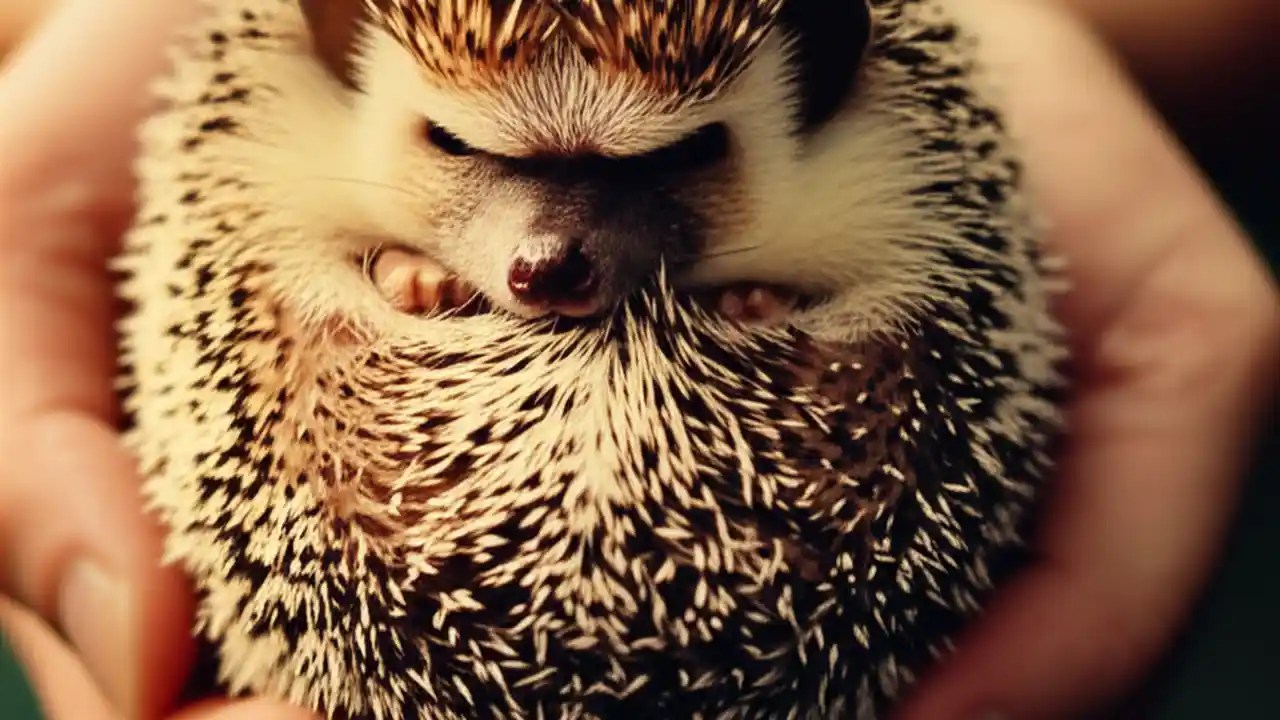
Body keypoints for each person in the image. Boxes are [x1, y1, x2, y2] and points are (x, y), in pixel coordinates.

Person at [1, 0, 1276, 718]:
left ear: (812, 98)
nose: (546, 253)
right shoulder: (281, 109)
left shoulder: (890, 164)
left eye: (668, 163)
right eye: (457, 150)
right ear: (353, 65)